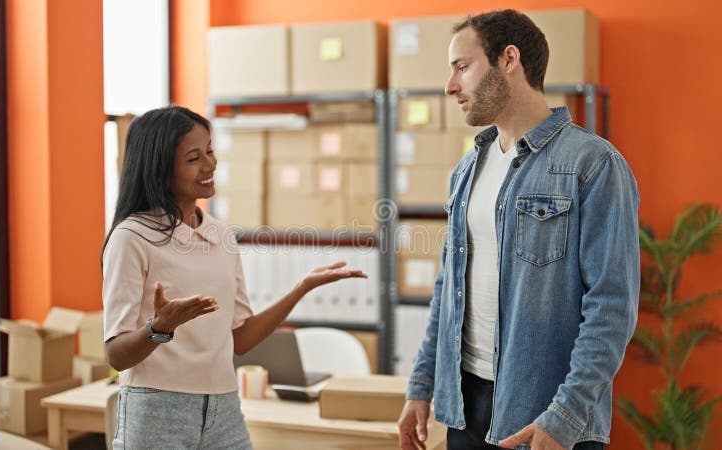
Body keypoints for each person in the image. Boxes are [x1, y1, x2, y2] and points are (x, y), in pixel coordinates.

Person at [397, 9, 640, 450]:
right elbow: (447, 287)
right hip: (465, 407)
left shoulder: (594, 165)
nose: (451, 86)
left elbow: (611, 309)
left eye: (462, 67)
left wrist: (564, 417)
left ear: (509, 59)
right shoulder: (466, 171)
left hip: (545, 415)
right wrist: (421, 385)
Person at [101, 105, 367, 449]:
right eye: (194, 158)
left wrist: (301, 288)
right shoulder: (132, 238)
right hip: (156, 407)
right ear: (160, 168)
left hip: (223, 407)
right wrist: (160, 328)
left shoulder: (222, 236)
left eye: (210, 151)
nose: (210, 164)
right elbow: (117, 355)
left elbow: (240, 338)